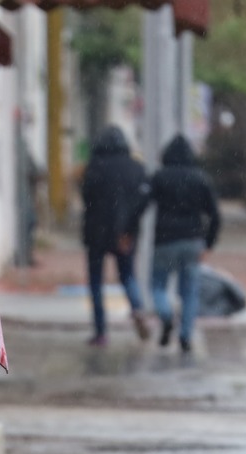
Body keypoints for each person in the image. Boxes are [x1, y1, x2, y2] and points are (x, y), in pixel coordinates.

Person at [134, 134, 221, 353]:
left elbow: (141, 205)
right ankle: (185, 335)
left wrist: (128, 229)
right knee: (189, 291)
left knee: (157, 286)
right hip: (193, 241)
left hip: (164, 240)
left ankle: (165, 315)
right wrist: (208, 243)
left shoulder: (159, 177)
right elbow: (215, 215)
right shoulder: (201, 179)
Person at [81, 126, 151, 346]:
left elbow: (86, 196)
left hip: (96, 232)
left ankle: (101, 331)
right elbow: (144, 199)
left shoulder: (94, 167)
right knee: (128, 274)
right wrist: (128, 227)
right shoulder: (136, 168)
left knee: (96, 282)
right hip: (125, 233)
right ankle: (137, 308)